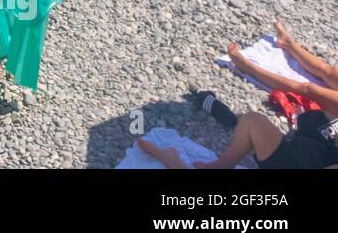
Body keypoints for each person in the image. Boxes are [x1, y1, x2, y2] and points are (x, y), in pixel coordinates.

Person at [138, 21, 337, 169]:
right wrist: (292, 47)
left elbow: (306, 90)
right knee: (252, 121)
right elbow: (326, 72)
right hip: (311, 147)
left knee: (254, 120)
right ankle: (218, 167)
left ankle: (176, 163)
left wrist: (248, 67)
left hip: (307, 161)